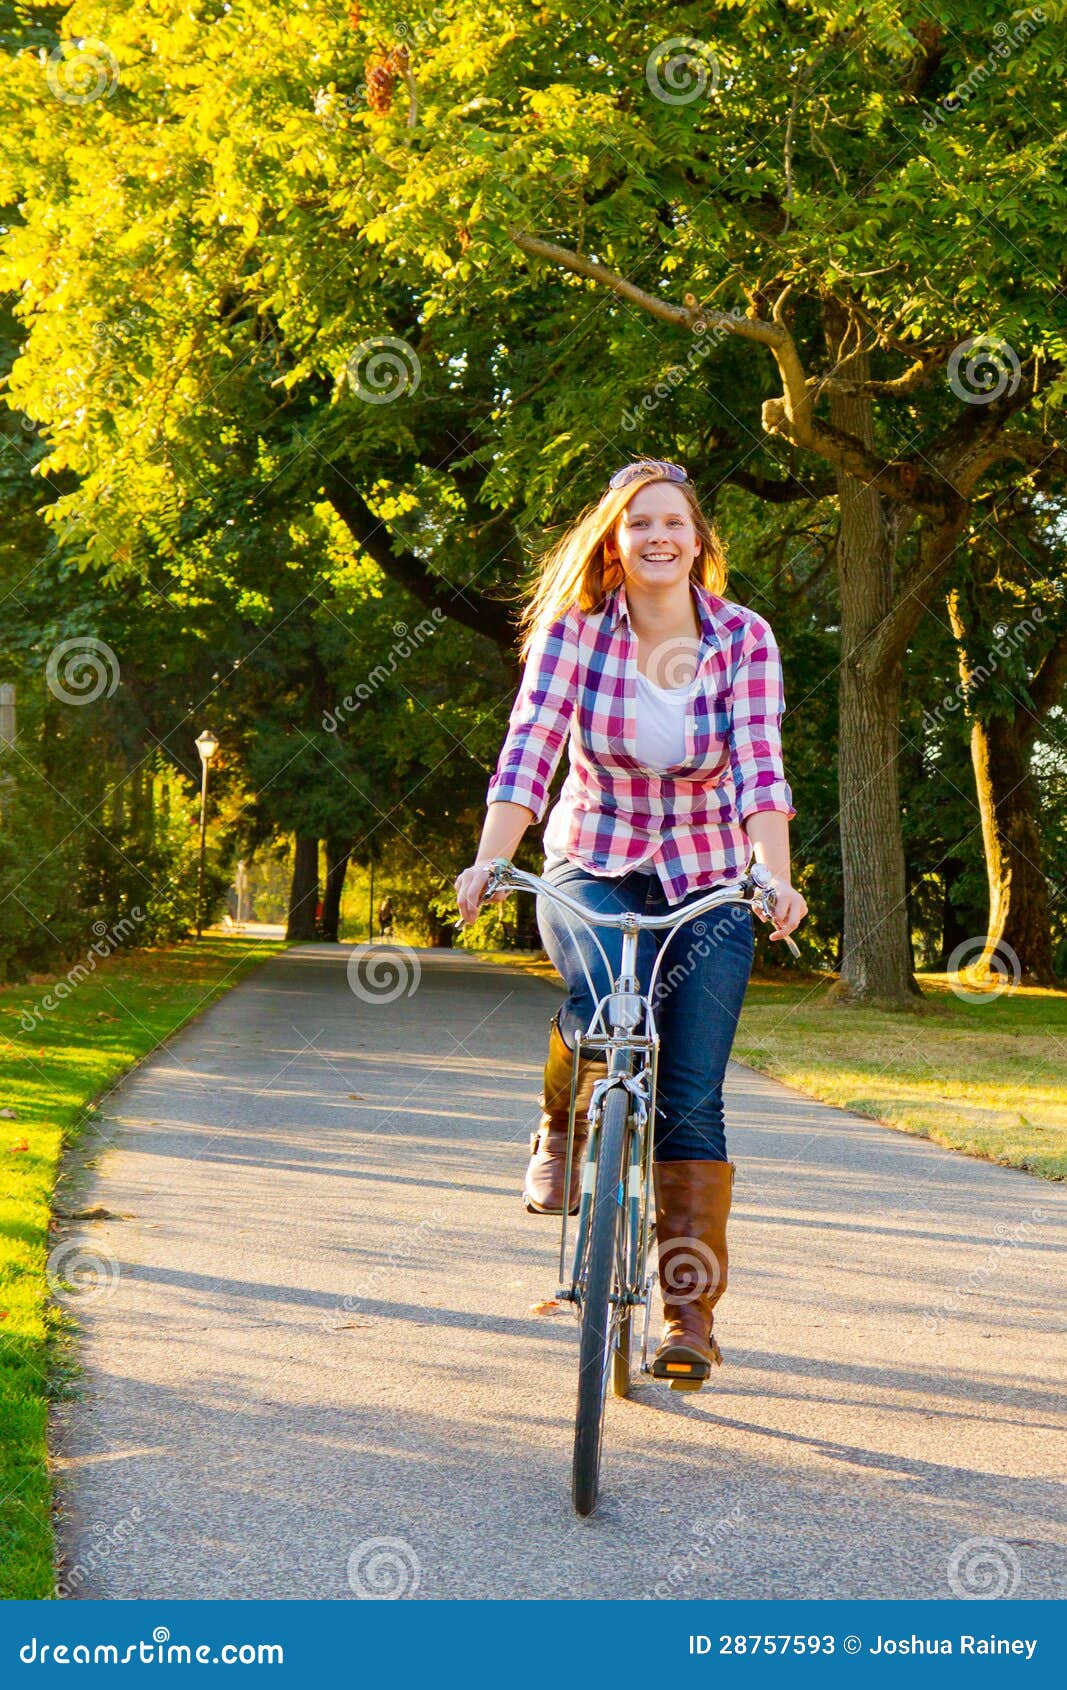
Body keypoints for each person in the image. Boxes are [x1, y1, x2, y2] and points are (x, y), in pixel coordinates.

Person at [455, 459, 807, 1384]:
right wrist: (492, 857)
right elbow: (530, 746)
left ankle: (686, 1317)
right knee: (601, 998)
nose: (658, 537)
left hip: (706, 873)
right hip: (593, 857)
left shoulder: (742, 637)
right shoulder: (574, 633)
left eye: (673, 523)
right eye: (639, 523)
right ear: (614, 540)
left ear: (697, 540)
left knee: (691, 1092)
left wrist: (772, 877)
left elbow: (760, 765)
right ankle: (561, 1120)